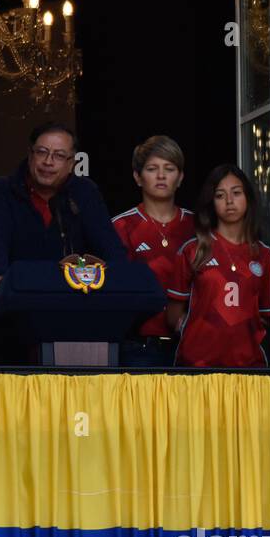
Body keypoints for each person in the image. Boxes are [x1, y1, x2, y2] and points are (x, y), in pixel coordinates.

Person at [0, 121, 126, 364]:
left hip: (73, 317)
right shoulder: (2, 191)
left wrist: (117, 282)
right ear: (30, 155)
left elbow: (111, 249)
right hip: (14, 317)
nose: (48, 162)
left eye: (58, 156)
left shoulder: (84, 193)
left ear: (71, 163)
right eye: (42, 152)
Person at [164, 164, 270, 368]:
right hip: (197, 367)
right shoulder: (193, 250)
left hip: (249, 368)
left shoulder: (265, 256)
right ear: (211, 202)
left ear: (248, 199)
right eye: (220, 195)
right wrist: (199, 333)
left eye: (236, 193)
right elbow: (173, 314)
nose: (229, 201)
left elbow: (267, 317)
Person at [111, 135, 195, 367]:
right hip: (138, 347)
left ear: (180, 178)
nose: (160, 176)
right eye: (152, 168)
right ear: (138, 177)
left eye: (169, 168)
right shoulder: (120, 226)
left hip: (193, 346)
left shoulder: (198, 226)